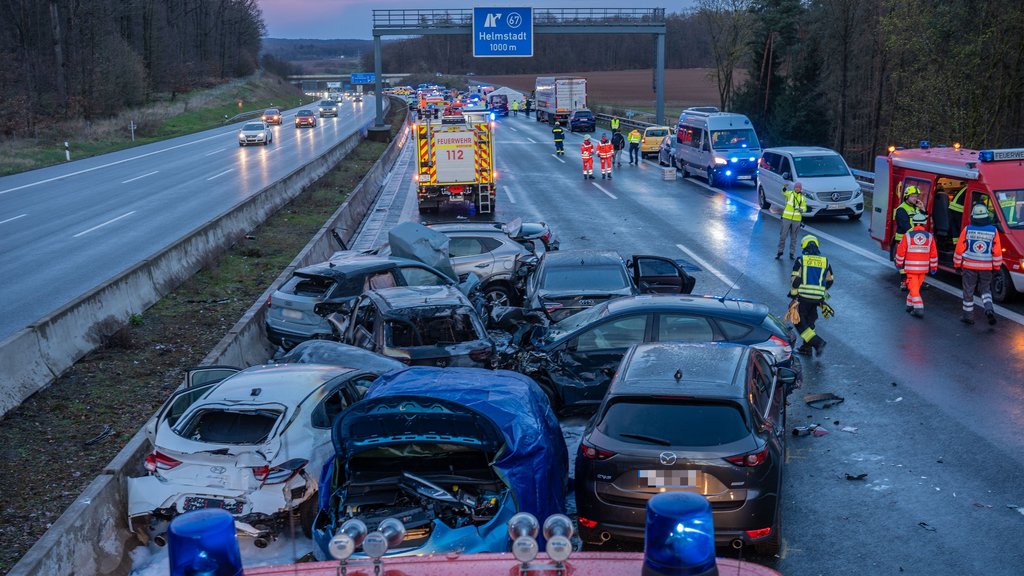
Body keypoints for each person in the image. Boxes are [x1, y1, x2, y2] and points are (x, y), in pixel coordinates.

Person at [954, 204, 1002, 325]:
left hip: (969, 267)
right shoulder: (993, 231)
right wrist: (996, 267)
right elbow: (997, 252)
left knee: (968, 291)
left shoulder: (967, 229)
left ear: (973, 217)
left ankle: (968, 317)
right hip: (986, 268)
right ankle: (989, 308)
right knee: (985, 289)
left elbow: (959, 250)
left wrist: (957, 265)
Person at [790, 235, 833, 356]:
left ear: (804, 247)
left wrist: (794, 296)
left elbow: (795, 281)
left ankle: (817, 342)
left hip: (803, 297)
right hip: (818, 299)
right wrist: (819, 290)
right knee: (809, 321)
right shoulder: (825, 261)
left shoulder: (801, 260)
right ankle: (806, 348)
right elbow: (830, 280)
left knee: (798, 321)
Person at [894, 212, 938, 318]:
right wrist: (934, 267)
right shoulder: (930, 236)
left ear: (913, 223)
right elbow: (933, 253)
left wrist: (899, 263)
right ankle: (909, 305)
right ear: (924, 223)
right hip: (923, 269)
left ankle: (918, 309)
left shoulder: (908, 236)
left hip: (911, 268)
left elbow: (900, 252)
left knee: (913, 289)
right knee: (915, 288)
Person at [892, 186, 923, 290]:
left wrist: (922, 209)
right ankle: (904, 282)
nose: (916, 198)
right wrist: (918, 235)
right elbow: (905, 225)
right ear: (907, 197)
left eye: (916, 196)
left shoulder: (916, 208)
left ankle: (917, 282)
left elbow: (923, 221)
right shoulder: (901, 209)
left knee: (914, 262)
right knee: (903, 262)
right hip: (903, 239)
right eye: (913, 196)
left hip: (914, 239)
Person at [776, 182, 807, 260]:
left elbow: (805, 208)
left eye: (798, 187)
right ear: (794, 188)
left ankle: (791, 253)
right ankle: (779, 252)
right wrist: (784, 186)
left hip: (796, 220)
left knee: (794, 238)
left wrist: (801, 210)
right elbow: (783, 192)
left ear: (800, 189)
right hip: (787, 218)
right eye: (796, 187)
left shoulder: (803, 198)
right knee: (783, 236)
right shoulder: (790, 194)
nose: (797, 188)